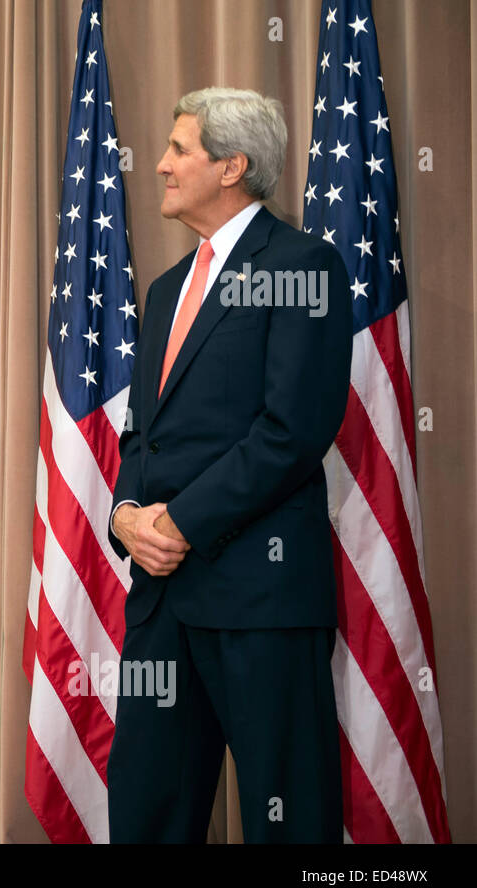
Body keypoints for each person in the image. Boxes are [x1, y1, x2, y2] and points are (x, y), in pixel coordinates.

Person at [106, 88, 352, 843]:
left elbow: (291, 431)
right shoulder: (166, 288)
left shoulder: (304, 266)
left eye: (180, 149)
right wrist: (125, 516)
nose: (160, 165)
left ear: (233, 166)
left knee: (290, 815)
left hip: (261, 597)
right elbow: (140, 437)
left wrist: (179, 520)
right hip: (161, 603)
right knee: (147, 813)